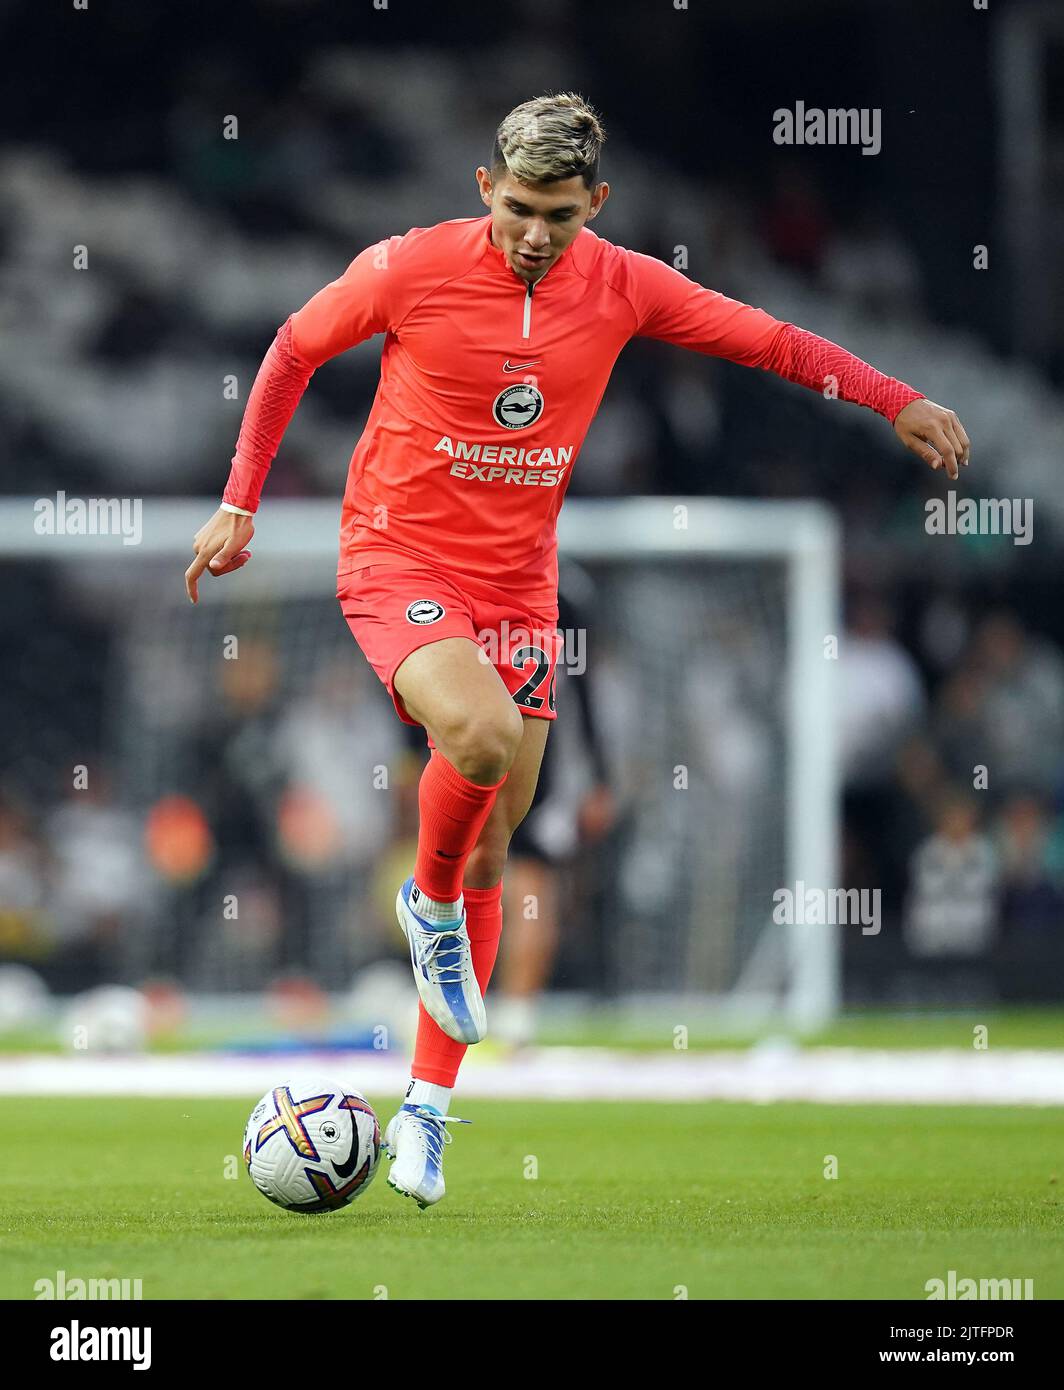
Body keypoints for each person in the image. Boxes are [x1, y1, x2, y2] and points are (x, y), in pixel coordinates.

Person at [184, 92, 971, 1208]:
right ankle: (426, 904)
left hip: (518, 586)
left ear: (593, 202)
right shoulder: (408, 267)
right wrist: (240, 503)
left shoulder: (624, 284)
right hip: (395, 560)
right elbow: (290, 347)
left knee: (503, 847)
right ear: (482, 190)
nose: (534, 233)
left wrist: (892, 398)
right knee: (481, 736)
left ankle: (425, 1112)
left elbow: (771, 340)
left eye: (557, 212)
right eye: (515, 207)